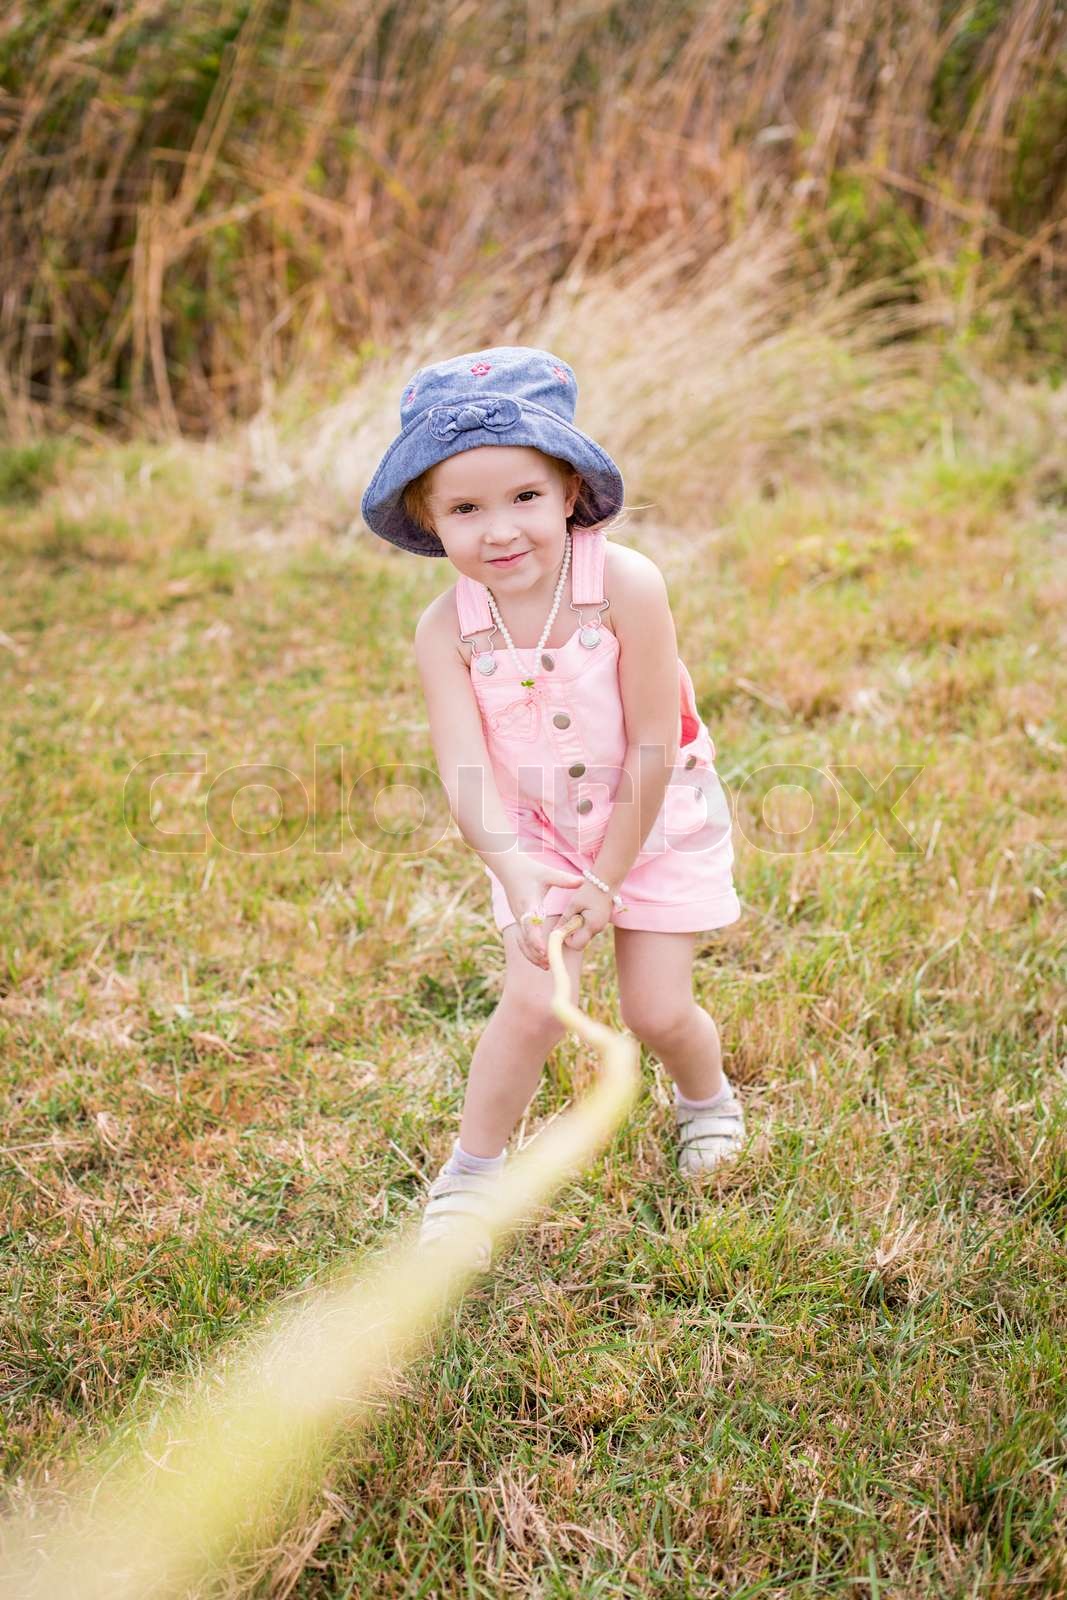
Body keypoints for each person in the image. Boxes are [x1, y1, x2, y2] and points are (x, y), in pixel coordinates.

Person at [361, 346, 748, 1268]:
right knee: (532, 1003)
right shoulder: (443, 631)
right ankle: (470, 1171)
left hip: (651, 819)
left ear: (569, 490)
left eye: (523, 497)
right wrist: (515, 867)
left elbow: (655, 737)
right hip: (535, 840)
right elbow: (463, 768)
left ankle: (707, 1100)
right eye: (464, 508)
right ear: (428, 521)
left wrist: (608, 878)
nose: (500, 529)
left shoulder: (624, 586)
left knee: (656, 1011)